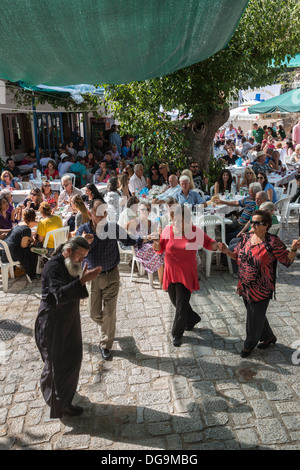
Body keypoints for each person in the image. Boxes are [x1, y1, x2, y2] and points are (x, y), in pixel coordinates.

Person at [35, 237, 102, 419]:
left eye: (84, 256)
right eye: (80, 256)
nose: (82, 260)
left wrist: (81, 278)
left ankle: (62, 396)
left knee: (73, 357)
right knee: (58, 364)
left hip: (68, 320)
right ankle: (60, 405)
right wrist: (82, 281)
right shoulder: (53, 268)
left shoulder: (68, 264)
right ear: (68, 251)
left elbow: (69, 286)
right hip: (53, 322)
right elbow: (60, 294)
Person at [219, 210, 300, 358]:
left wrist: (293, 248)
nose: (253, 225)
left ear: (266, 225)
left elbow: (287, 261)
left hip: (262, 288)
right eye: (252, 221)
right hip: (244, 284)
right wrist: (226, 251)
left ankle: (249, 345)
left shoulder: (272, 242)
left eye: (257, 223)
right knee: (256, 315)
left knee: (253, 318)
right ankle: (268, 336)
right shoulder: (246, 238)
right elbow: (237, 256)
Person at [76, 199, 143, 361]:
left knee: (109, 312)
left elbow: (129, 241)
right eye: (99, 214)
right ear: (90, 214)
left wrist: (145, 239)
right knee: (93, 313)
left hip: (112, 275)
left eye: (105, 213)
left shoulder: (112, 228)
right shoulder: (83, 231)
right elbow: (74, 253)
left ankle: (106, 344)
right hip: (92, 277)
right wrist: (83, 242)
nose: (103, 216)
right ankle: (109, 327)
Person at [151, 204, 219, 347]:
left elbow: (208, 242)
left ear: (187, 220)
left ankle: (177, 333)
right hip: (170, 272)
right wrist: (156, 243)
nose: (176, 223)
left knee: (181, 305)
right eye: (174, 219)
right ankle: (192, 318)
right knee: (175, 301)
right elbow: (160, 249)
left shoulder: (194, 231)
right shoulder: (167, 230)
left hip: (186, 273)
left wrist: (215, 246)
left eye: (180, 220)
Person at [127, 202, 165, 286]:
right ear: (139, 210)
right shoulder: (135, 222)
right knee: (158, 254)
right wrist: (146, 237)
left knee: (162, 251)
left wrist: (155, 236)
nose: (144, 211)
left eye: (146, 209)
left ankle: (164, 280)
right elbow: (130, 236)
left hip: (150, 246)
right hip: (139, 248)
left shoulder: (152, 223)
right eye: (142, 209)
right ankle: (162, 282)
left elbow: (156, 236)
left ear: (149, 211)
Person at [1, 208, 41, 280]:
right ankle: (32, 274)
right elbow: (23, 245)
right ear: (34, 218)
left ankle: (28, 270)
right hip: (10, 255)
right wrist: (31, 241)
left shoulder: (19, 224)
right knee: (33, 252)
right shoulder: (26, 229)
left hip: (4, 252)